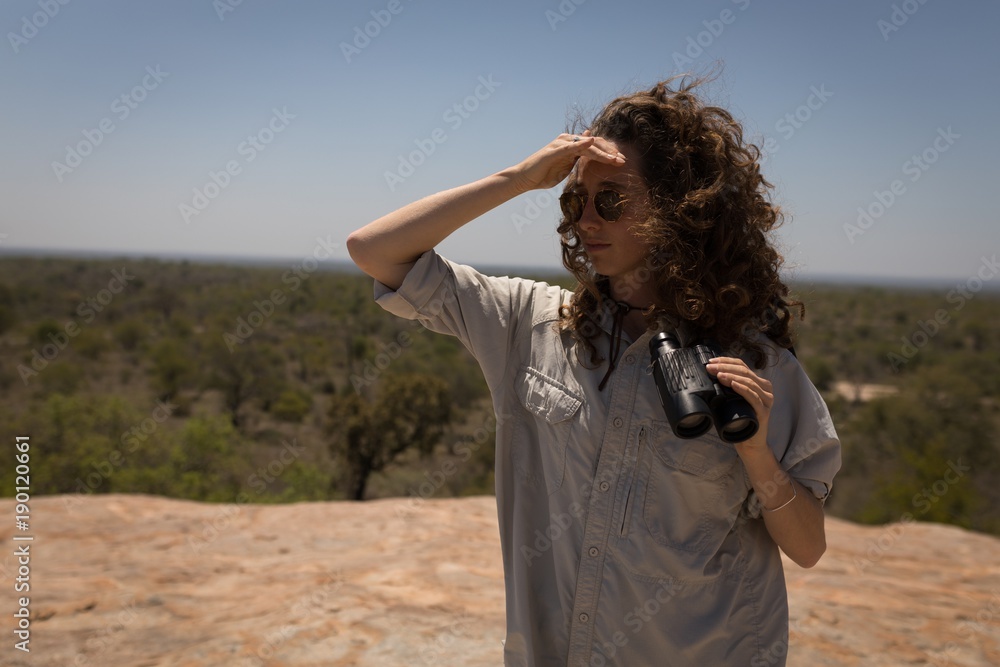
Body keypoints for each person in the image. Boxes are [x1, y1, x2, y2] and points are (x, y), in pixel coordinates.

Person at [347, 75, 841, 667]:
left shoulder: (758, 367)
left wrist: (758, 456)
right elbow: (375, 250)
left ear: (680, 210)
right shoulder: (529, 324)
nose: (586, 221)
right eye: (575, 201)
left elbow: (808, 547)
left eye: (612, 201)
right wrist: (520, 179)